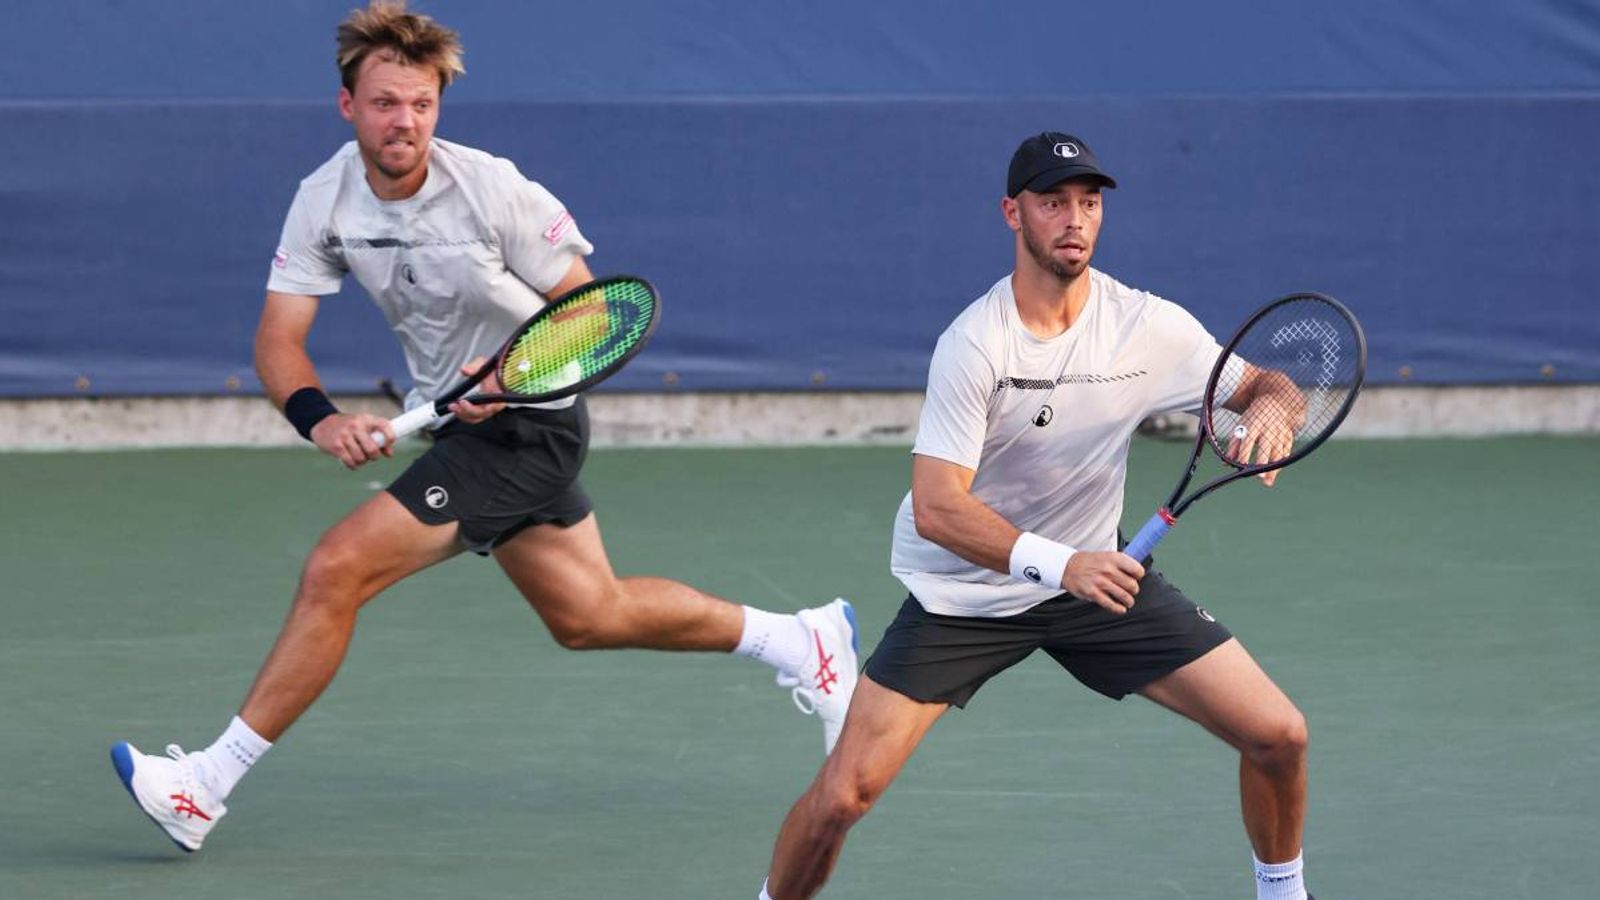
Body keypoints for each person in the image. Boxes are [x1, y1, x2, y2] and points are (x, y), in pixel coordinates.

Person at [109, 0, 858, 854]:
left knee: (336, 569)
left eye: (421, 104)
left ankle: (205, 784)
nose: (405, 121)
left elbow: (592, 310)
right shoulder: (323, 200)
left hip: (528, 425)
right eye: (385, 103)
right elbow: (278, 339)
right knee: (589, 613)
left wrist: (505, 377)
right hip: (453, 424)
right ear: (348, 105)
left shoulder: (491, 187)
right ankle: (799, 640)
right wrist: (321, 421)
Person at [756, 132, 1324, 900]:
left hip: (1100, 583)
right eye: (1053, 202)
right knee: (841, 800)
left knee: (1279, 736)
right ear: (1012, 214)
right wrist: (1064, 566)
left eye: (1089, 203)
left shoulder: (1145, 326)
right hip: (967, 596)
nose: (1074, 219)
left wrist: (1275, 411)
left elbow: (1264, 385)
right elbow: (937, 507)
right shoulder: (975, 343)